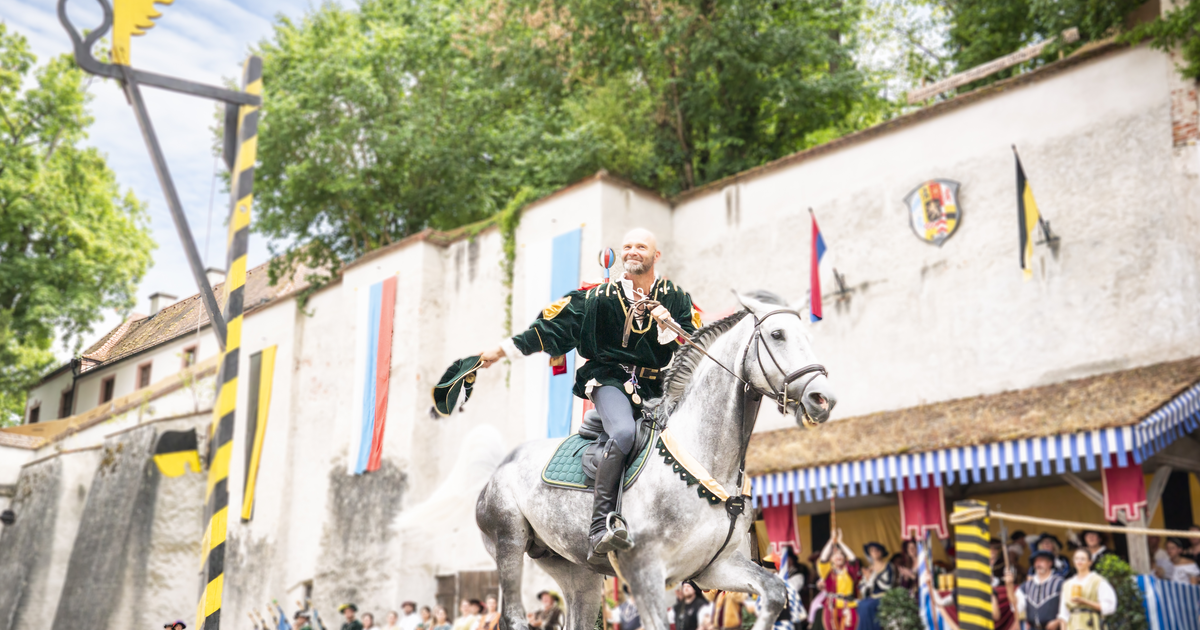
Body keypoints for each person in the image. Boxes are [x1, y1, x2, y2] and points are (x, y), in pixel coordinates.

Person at [479, 228, 698, 563]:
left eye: (641, 246)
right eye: (627, 246)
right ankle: (600, 527)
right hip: (610, 379)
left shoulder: (676, 297)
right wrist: (502, 350)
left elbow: (696, 344)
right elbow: (550, 329)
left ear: (656, 256)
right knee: (624, 432)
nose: (632, 251)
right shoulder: (597, 297)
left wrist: (669, 325)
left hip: (658, 388)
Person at [1058, 549, 1117, 630]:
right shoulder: (1067, 584)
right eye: (1076, 559)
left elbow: (1109, 607)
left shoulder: (1098, 581)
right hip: (1073, 625)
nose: (1079, 561)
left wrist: (1084, 601)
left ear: (1090, 562)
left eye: (1082, 559)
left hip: (1092, 623)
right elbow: (1063, 614)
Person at [1011, 550, 1064, 630]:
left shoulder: (1060, 583)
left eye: (1042, 561)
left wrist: (1058, 621)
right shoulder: (1025, 586)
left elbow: (1068, 607)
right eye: (1036, 562)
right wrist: (1009, 585)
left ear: (1050, 563)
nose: (1038, 564)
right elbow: (1016, 607)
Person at [817, 530, 859, 630]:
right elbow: (823, 558)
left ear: (845, 558)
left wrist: (840, 542)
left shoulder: (850, 570)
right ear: (831, 558)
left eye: (841, 555)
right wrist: (831, 540)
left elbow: (853, 558)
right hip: (831, 605)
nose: (839, 556)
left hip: (848, 605)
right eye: (835, 555)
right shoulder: (827, 571)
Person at [857, 542, 895, 630]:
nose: (874, 552)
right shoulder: (869, 568)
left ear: (881, 552)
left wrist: (872, 577)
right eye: (872, 550)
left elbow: (887, 585)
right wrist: (867, 579)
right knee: (861, 604)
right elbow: (862, 587)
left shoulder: (888, 566)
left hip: (885, 597)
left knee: (867, 606)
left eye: (877, 550)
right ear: (869, 553)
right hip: (872, 597)